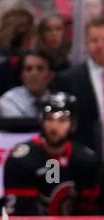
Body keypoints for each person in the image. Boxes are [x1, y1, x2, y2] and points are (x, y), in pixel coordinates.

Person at [3, 92, 101, 215]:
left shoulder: (86, 160)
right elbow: (18, 212)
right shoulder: (22, 159)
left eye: (62, 120)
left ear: (73, 125)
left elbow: (90, 212)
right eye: (49, 119)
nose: (54, 126)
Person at [52, 16, 104, 156]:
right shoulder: (68, 79)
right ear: (86, 44)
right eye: (94, 40)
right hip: (84, 157)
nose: (99, 45)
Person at [0, 49, 55, 119]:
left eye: (40, 68)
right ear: (22, 76)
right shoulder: (9, 101)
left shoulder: (60, 101)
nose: (34, 74)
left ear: (50, 75)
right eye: (28, 69)